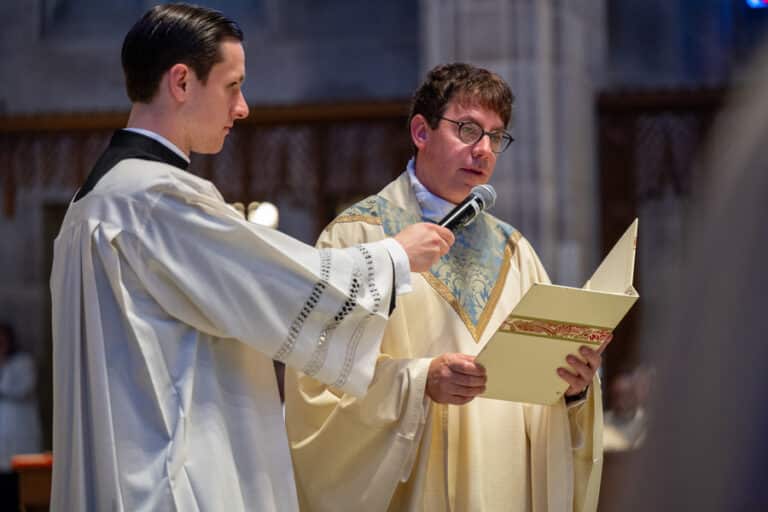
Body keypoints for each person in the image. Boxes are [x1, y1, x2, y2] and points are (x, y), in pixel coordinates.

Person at [49, 4, 453, 512]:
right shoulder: (155, 197)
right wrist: (395, 256)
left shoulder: (94, 200)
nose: (242, 108)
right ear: (181, 81)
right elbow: (275, 285)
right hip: (172, 478)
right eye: (232, 86)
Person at [285, 63, 606, 511]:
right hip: (415, 488)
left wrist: (573, 391)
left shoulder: (516, 252)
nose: (484, 150)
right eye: (469, 129)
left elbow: (543, 391)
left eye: (496, 137)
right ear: (421, 131)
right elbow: (315, 390)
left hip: (507, 486)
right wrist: (418, 381)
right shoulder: (357, 238)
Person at [0, 324, 42, 511]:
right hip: (2, 451)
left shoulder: (23, 363)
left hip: (21, 444)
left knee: (23, 494)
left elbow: (16, 388)